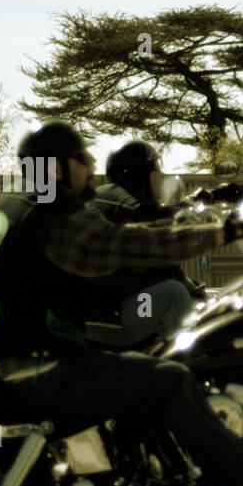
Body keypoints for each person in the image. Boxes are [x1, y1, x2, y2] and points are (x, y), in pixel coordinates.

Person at [0, 121, 243, 486]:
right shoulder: (56, 217)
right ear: (56, 168)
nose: (91, 165)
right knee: (174, 380)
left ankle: (146, 480)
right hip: (45, 365)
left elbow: (133, 231)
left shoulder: (11, 209)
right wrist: (228, 230)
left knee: (137, 379)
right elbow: (128, 245)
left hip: (4, 358)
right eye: (81, 158)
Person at [79, 140, 201, 347]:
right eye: (156, 169)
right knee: (173, 293)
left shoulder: (117, 198)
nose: (161, 175)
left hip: (108, 309)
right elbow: (147, 214)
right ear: (141, 173)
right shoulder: (113, 195)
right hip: (105, 318)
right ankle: (190, 369)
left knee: (181, 290)